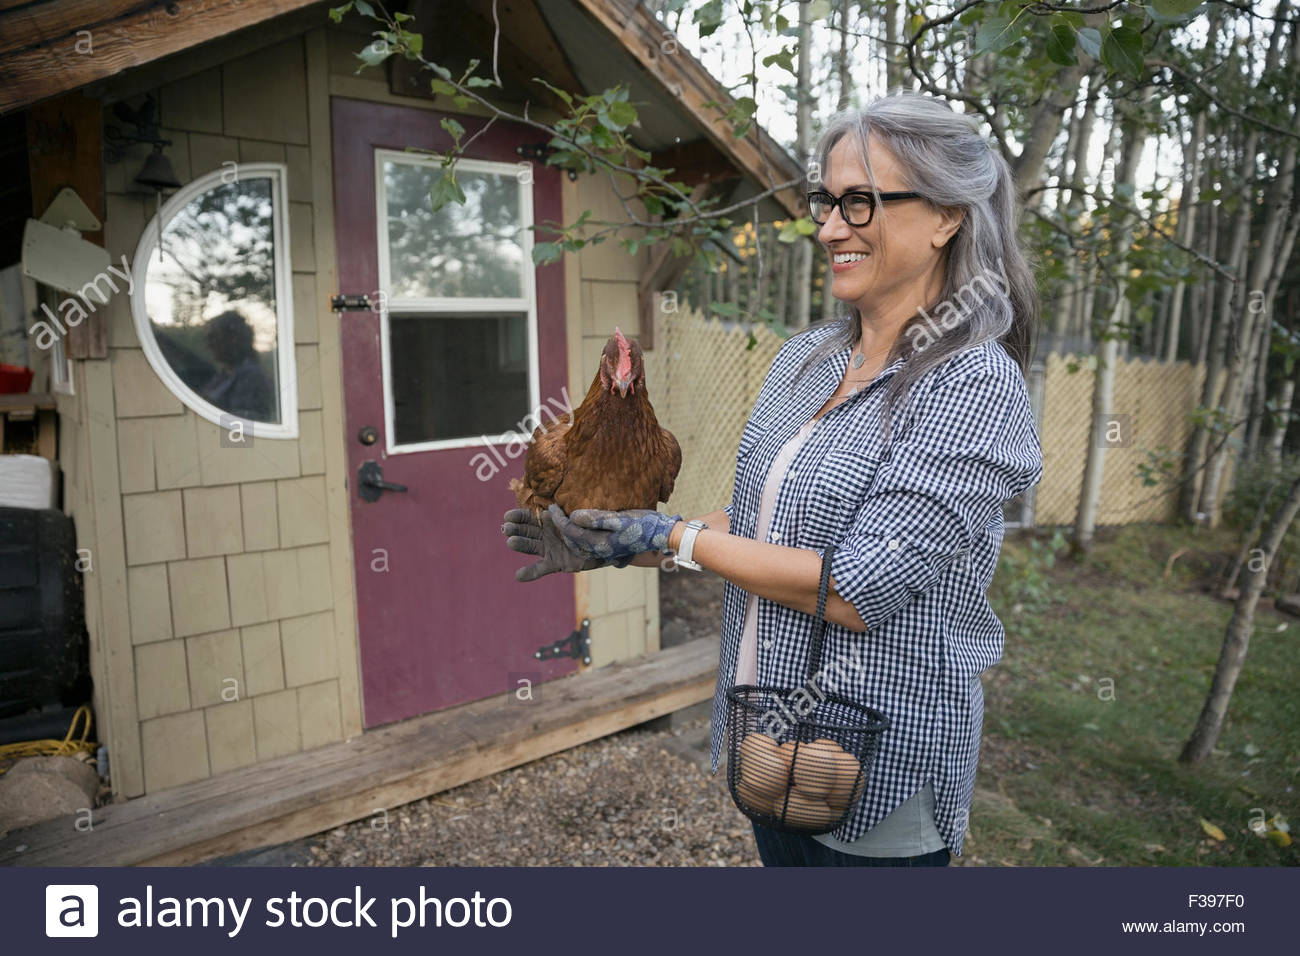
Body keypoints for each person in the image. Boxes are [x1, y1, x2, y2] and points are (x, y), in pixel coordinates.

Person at [502, 92, 1043, 867]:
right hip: (764, 737)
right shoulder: (805, 360)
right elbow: (754, 533)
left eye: (861, 203)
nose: (828, 229)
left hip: (875, 759)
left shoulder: (970, 384)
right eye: (827, 202)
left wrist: (671, 532)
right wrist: (625, 545)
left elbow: (859, 590)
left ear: (946, 217)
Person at [198, 309, 276, 422]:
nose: (208, 344)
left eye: (213, 337)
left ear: (232, 339)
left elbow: (240, 424)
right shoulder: (224, 375)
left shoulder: (251, 378)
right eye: (207, 339)